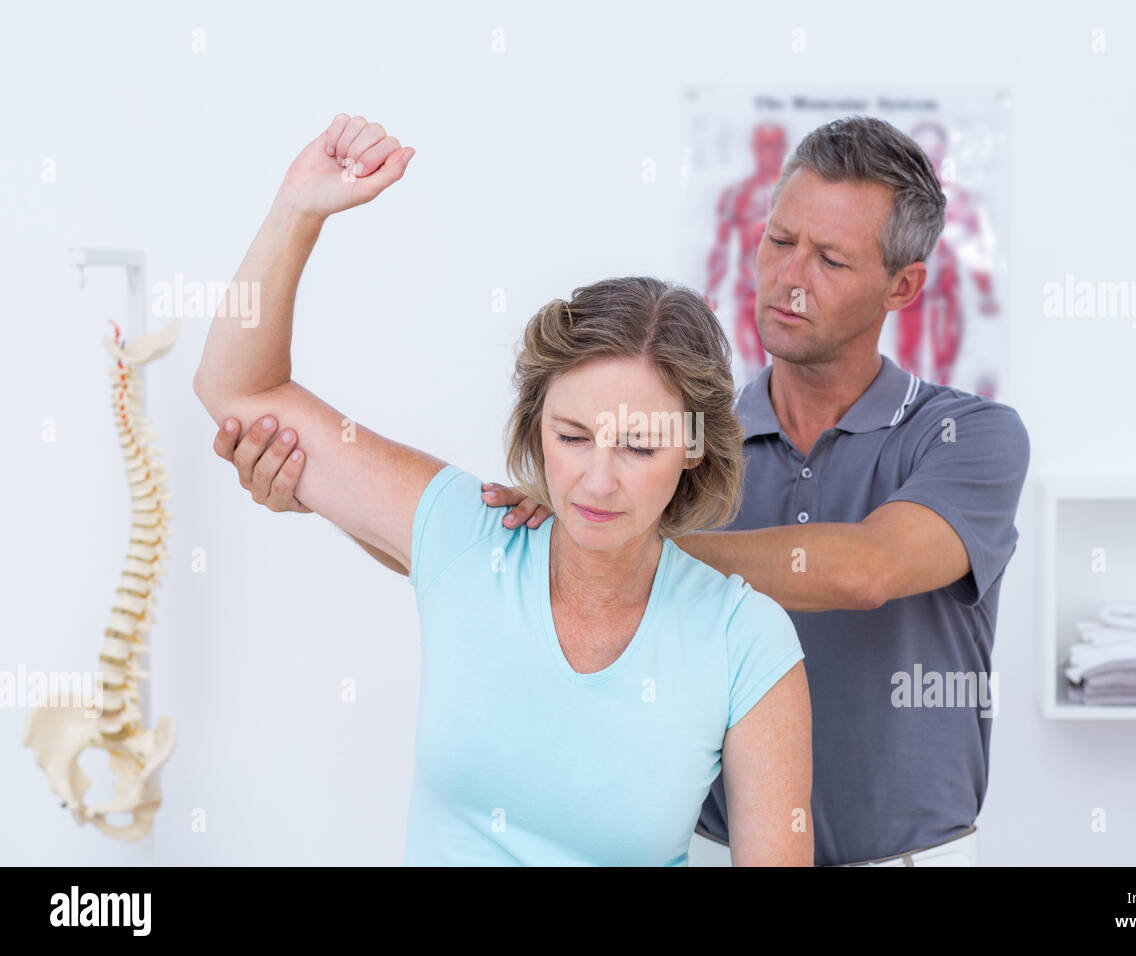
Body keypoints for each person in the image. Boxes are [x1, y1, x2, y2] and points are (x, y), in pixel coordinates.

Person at [219, 114, 1031, 867]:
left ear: (902, 286)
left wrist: (611, 542)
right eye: (779, 240)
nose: (790, 275)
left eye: (831, 259)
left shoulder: (966, 438)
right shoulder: (643, 459)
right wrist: (298, 210)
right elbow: (264, 409)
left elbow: (866, 570)